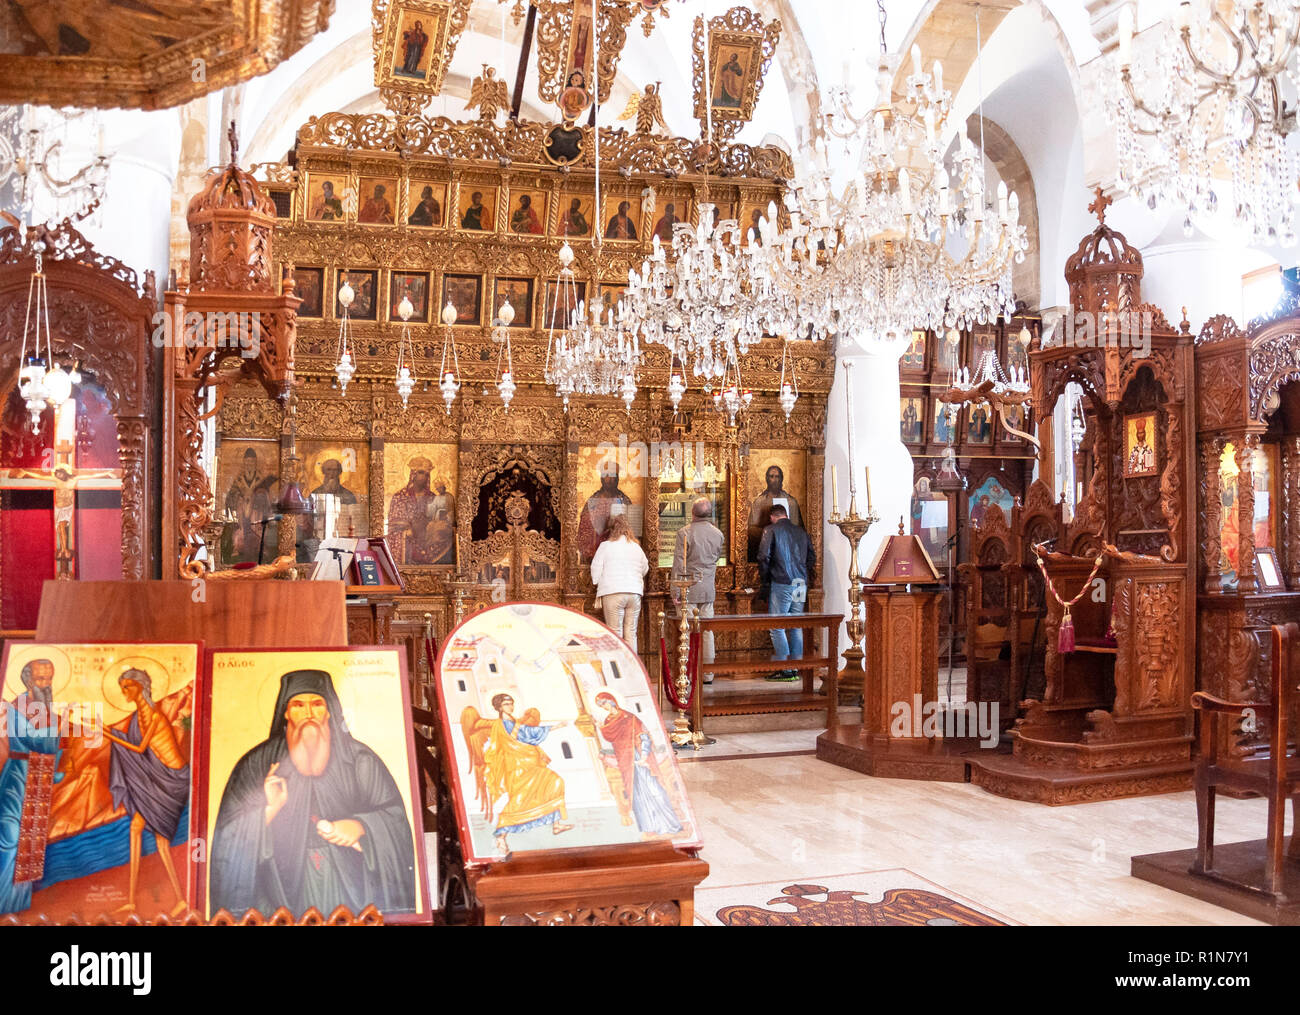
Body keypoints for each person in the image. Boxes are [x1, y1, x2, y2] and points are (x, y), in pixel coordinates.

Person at [209, 669, 417, 918]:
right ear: (285, 713)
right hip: (280, 892)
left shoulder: (360, 759)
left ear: (329, 711)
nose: (308, 714)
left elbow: (395, 821)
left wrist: (361, 827)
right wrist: (267, 811)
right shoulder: (256, 763)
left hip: (349, 886)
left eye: (317, 704)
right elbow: (226, 839)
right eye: (298, 705)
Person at [99, 668, 189, 917]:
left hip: (173, 779)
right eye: (123, 687)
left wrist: (108, 734)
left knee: (161, 840)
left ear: (141, 686)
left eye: (128, 686)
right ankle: (131, 900)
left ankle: (180, 899)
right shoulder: (138, 716)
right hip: (160, 776)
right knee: (137, 829)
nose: (124, 692)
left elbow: (138, 749)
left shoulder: (155, 716)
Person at [459, 694, 572, 855]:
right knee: (518, 802)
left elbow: (526, 732)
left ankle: (556, 824)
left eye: (511, 703)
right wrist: (555, 727)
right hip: (517, 769)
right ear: (498, 707)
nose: (510, 706)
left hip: (530, 765)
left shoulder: (514, 722)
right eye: (506, 704)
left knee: (555, 782)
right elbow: (526, 732)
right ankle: (500, 835)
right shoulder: (500, 724)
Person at [0, 660, 62, 915]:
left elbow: (54, 747)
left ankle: (18, 905)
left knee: (32, 845)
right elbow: (33, 739)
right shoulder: (17, 707)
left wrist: (56, 770)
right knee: (11, 836)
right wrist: (57, 726)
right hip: (18, 775)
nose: (45, 684)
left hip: (40, 776)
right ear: (28, 681)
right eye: (40, 679)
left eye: (48, 679)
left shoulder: (48, 709)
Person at [594, 692, 682, 837]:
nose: (603, 707)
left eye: (604, 703)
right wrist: (600, 727)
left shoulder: (629, 717)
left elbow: (643, 737)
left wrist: (644, 756)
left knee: (654, 790)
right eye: (600, 705)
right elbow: (610, 736)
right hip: (625, 761)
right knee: (637, 794)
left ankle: (670, 824)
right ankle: (650, 827)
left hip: (638, 757)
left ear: (611, 701)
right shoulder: (609, 720)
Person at [757, 503, 815, 681]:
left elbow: (763, 556)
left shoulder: (770, 530)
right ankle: (795, 667)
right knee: (795, 624)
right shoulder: (801, 532)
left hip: (781, 582)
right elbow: (811, 557)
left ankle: (784, 668)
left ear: (773, 517)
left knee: (777, 626)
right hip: (800, 583)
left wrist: (765, 579)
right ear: (785, 515)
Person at [671, 497, 725, 682]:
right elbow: (716, 558)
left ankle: (686, 672)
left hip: (689, 589)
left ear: (692, 513)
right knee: (707, 631)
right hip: (708, 588)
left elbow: (679, 564)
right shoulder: (718, 534)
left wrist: (674, 591)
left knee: (686, 630)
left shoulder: (684, 533)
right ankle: (707, 674)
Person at [590, 514, 649, 653]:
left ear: (611, 529)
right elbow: (645, 568)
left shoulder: (606, 546)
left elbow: (596, 568)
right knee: (631, 632)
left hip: (613, 592)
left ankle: (619, 669)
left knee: (615, 633)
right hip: (634, 593)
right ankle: (632, 669)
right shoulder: (636, 547)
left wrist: (596, 581)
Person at [388, 456, 453, 564]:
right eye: (421, 472)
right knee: (397, 540)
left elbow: (437, 517)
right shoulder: (400, 496)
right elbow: (394, 523)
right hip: (408, 536)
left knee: (446, 536)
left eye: (427, 474)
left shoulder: (432, 496)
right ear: (413, 474)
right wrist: (409, 529)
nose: (424, 477)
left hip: (427, 536)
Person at [224, 448, 278, 563]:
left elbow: (266, 495)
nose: (249, 464)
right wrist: (239, 496)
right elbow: (231, 494)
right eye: (247, 461)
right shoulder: (239, 478)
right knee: (242, 529)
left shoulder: (260, 478)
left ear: (255, 462)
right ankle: (238, 549)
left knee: (256, 529)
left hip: (256, 510)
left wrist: (259, 496)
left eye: (252, 461)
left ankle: (259, 550)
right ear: (244, 462)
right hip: (241, 510)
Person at [577, 461, 633, 561]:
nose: (610, 479)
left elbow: (632, 530)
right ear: (602, 478)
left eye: (613, 476)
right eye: (607, 475)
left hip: (619, 555)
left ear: (617, 478)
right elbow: (584, 531)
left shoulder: (624, 501)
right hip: (596, 554)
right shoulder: (593, 501)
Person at [747, 463, 802, 563]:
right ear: (767, 479)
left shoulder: (791, 502)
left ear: (781, 479)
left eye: (777, 476)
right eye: (771, 476)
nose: (774, 480)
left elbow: (797, 527)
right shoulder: (759, 502)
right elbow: (751, 529)